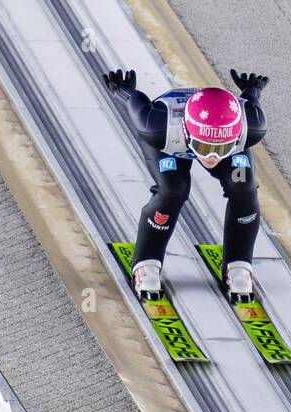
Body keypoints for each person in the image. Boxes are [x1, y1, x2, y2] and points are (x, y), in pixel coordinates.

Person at [102, 68, 269, 303]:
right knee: (173, 190)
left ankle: (238, 262)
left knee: (244, 188)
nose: (211, 157)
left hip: (200, 140)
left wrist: (252, 90)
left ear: (235, 134)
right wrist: (125, 89)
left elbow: (251, 102)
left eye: (219, 148)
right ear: (189, 133)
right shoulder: (156, 125)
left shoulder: (252, 127)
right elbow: (136, 102)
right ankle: (146, 261)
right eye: (204, 146)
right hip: (171, 143)